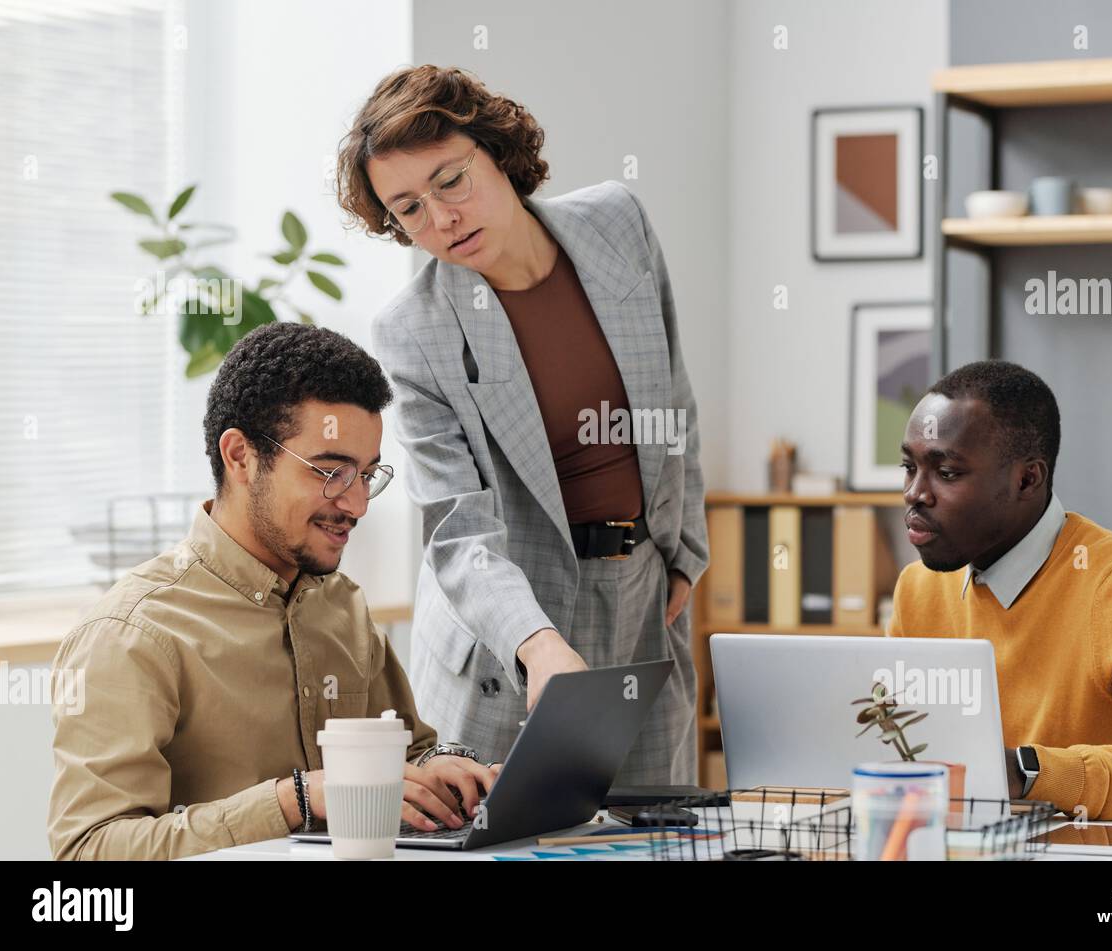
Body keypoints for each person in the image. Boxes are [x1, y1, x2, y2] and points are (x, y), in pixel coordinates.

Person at [334, 65, 709, 784]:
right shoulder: (413, 331)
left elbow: (674, 402)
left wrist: (686, 549)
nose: (440, 219)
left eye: (451, 180)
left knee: (657, 834)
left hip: (641, 603)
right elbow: (459, 529)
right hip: (506, 636)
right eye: (408, 208)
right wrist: (536, 644)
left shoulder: (617, 224)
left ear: (497, 151)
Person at [48, 322, 497, 860]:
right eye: (331, 472)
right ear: (240, 456)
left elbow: (408, 751)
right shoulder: (130, 634)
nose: (357, 505)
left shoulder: (342, 604)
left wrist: (438, 772)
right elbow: (87, 851)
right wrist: (295, 800)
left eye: (367, 475)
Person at [890, 359, 1112, 820]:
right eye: (908, 467)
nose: (915, 493)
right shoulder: (917, 590)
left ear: (1027, 479)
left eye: (948, 472)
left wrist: (1028, 772)